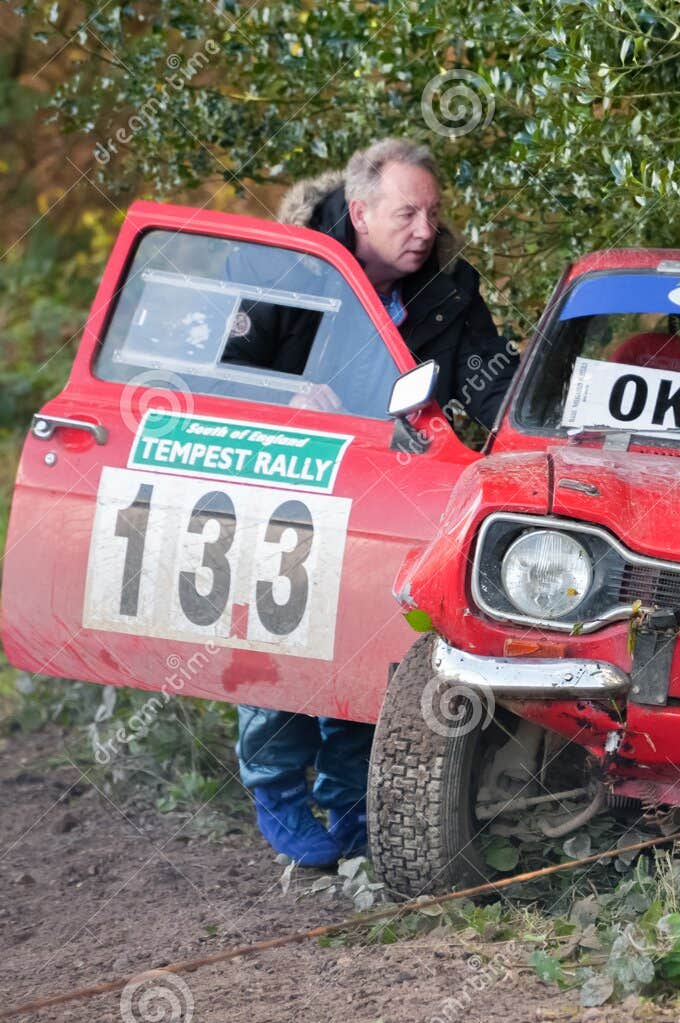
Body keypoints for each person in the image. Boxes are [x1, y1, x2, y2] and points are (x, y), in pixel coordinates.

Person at [238, 137, 518, 868]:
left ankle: (347, 797)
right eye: (407, 214)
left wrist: (541, 422)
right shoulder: (287, 265)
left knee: (372, 639)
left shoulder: (450, 287)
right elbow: (227, 375)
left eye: (432, 213)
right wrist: (284, 397)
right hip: (290, 480)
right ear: (360, 212)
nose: (425, 230)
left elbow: (490, 382)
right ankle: (278, 789)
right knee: (283, 640)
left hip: (391, 486)